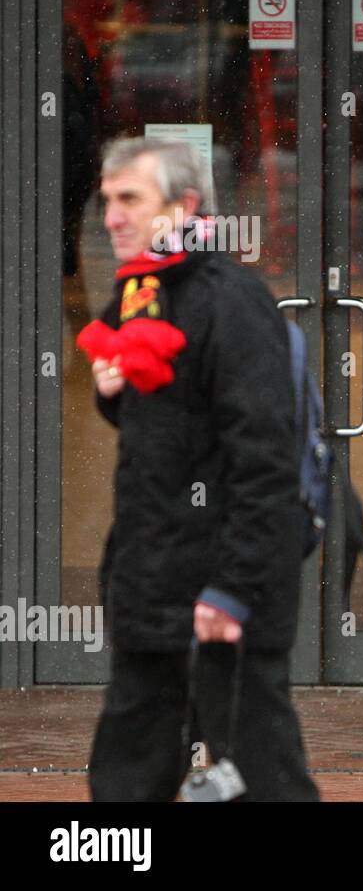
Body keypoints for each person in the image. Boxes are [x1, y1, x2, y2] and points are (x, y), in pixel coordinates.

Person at [84, 137, 318, 801]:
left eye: (130, 199)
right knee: (125, 781)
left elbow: (265, 463)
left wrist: (232, 591)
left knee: (264, 780)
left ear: (184, 206)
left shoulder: (231, 301)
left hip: (223, 601)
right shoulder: (138, 295)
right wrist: (115, 393)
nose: (112, 218)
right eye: (107, 201)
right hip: (152, 588)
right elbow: (163, 431)